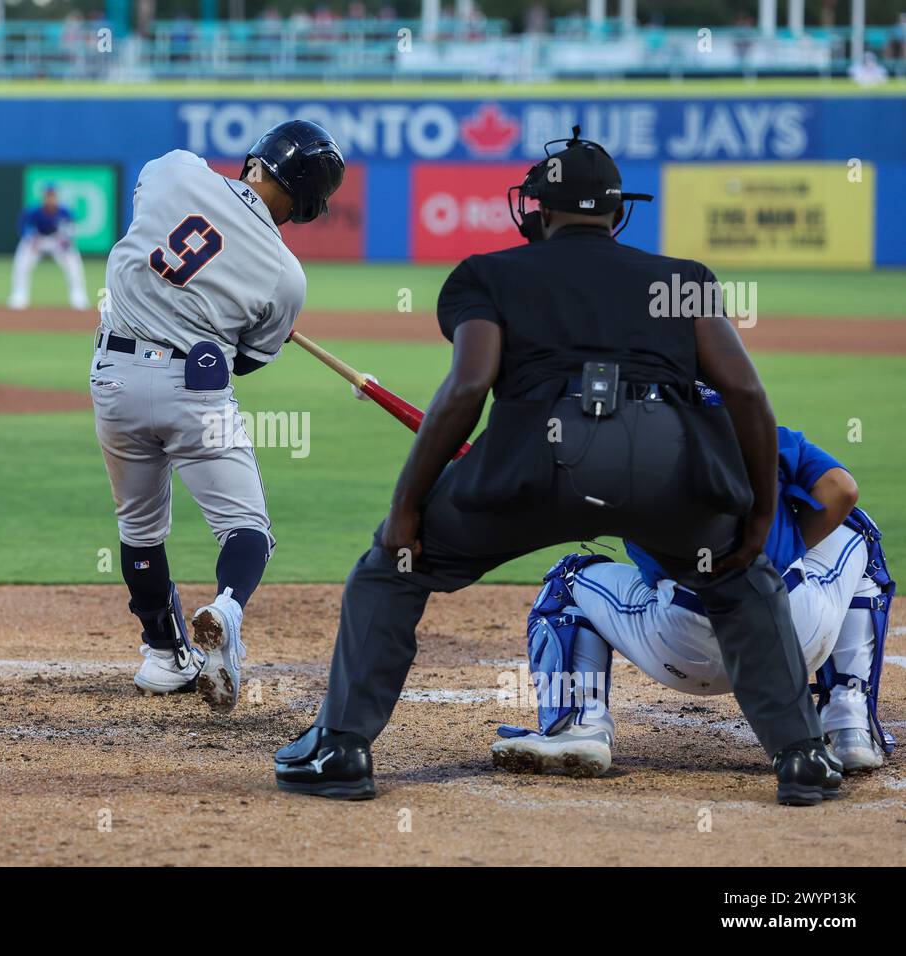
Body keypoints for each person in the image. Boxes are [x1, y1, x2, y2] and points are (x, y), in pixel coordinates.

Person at [274, 127, 841, 806]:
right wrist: (754, 514)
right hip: (667, 469)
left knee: (390, 571)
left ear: (535, 210)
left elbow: (467, 387)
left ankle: (341, 747)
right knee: (741, 583)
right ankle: (803, 757)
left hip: (532, 462)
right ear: (616, 212)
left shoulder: (488, 273)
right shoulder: (683, 279)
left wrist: (405, 511)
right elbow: (748, 394)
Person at [492, 403, 894, 777]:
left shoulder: (625, 451)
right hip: (793, 636)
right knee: (857, 529)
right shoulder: (762, 432)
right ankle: (848, 723)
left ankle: (579, 727)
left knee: (568, 581)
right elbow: (841, 490)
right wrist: (782, 555)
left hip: (680, 650)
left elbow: (558, 514)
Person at [92, 121, 343, 712]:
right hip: (197, 389)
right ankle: (226, 608)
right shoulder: (286, 277)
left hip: (114, 379)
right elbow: (248, 360)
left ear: (258, 158)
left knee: (140, 528)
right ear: (307, 205)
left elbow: (156, 225)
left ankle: (162, 656)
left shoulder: (178, 168)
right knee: (247, 528)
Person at [7, 184, 90, 311]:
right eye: (48, 195)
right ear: (44, 197)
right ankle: (19, 295)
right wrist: (30, 239)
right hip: (38, 240)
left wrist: (66, 240)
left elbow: (72, 230)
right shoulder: (34, 211)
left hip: (57, 241)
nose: (50, 198)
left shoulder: (64, 212)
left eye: (53, 195)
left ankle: (78, 297)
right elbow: (22, 226)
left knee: (73, 263)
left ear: (57, 197)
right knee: (22, 262)